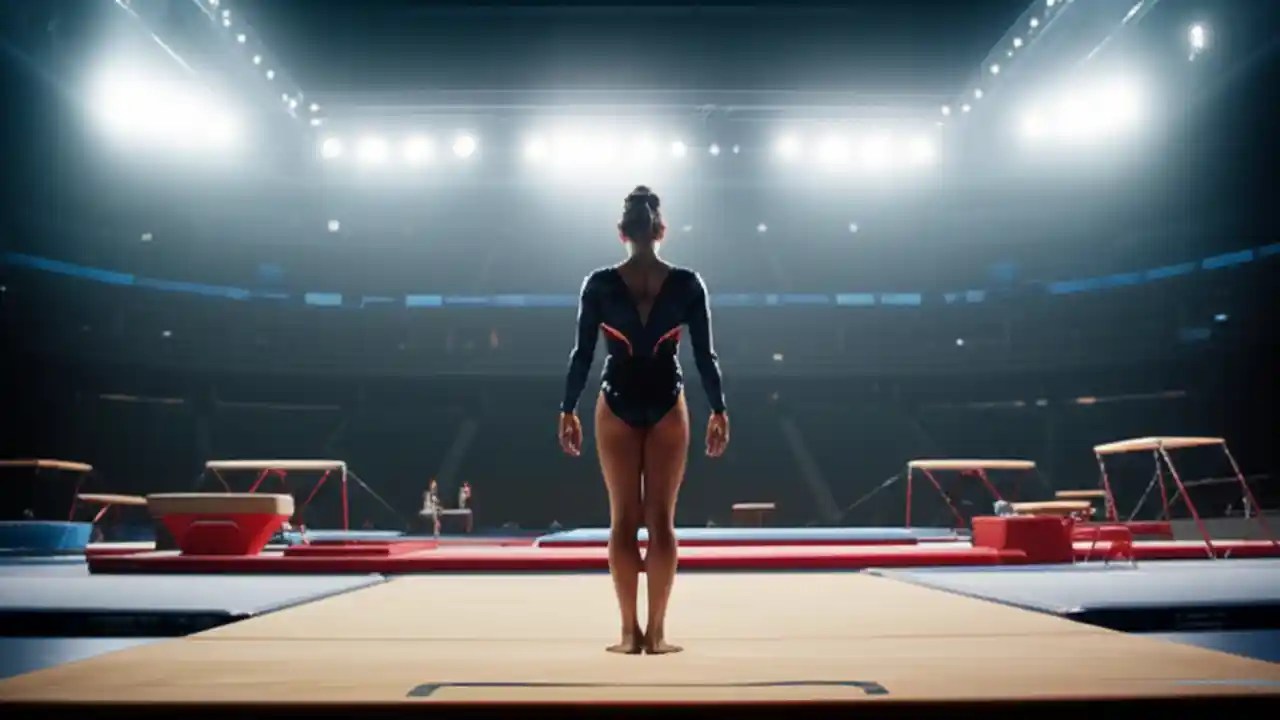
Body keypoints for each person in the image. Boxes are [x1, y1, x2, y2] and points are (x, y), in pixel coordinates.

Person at [558, 185, 730, 655]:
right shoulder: (688, 284)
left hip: (615, 400)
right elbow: (704, 356)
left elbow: (582, 355)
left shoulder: (598, 285)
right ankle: (656, 633)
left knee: (622, 521)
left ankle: (628, 632)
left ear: (622, 233)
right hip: (666, 400)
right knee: (661, 522)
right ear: (661, 230)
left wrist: (567, 407)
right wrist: (718, 407)